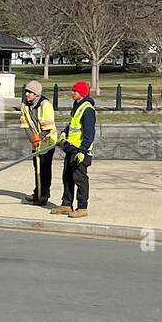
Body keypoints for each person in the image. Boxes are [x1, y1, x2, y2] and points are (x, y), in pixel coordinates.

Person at [52, 80, 96, 218]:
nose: (72, 93)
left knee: (80, 179)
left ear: (81, 93)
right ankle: (66, 204)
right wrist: (64, 133)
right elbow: (73, 125)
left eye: (74, 91)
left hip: (80, 151)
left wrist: (83, 150)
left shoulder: (87, 109)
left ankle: (82, 207)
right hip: (71, 148)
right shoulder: (77, 106)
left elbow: (89, 133)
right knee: (67, 177)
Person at [19, 80, 58, 206]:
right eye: (26, 92)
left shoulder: (45, 105)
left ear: (36, 94)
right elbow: (24, 123)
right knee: (37, 168)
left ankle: (44, 195)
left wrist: (39, 137)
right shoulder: (25, 105)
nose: (27, 94)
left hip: (47, 142)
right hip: (35, 143)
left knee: (44, 169)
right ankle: (37, 192)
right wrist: (32, 138)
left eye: (30, 92)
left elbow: (48, 127)